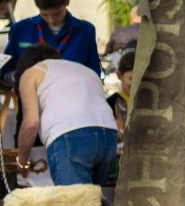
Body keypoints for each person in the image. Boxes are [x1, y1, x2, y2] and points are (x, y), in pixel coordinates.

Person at [10, 46, 120, 188]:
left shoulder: (31, 73)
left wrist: (22, 161)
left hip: (70, 136)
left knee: (74, 205)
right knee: (92, 202)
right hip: (108, 135)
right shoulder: (85, 70)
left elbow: (31, 123)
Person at [4, 0, 99, 73]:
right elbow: (6, 71)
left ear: (67, 1)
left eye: (56, 14)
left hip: (73, 87)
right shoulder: (20, 30)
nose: (51, 20)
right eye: (45, 15)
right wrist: (18, 78)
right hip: (31, 87)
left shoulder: (86, 31)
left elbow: (94, 71)